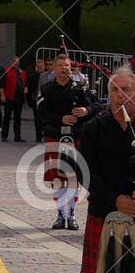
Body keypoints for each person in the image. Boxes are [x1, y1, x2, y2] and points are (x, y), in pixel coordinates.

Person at [78, 71, 135, 273]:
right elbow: (86, 173)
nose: (120, 95)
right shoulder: (94, 129)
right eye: (115, 90)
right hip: (107, 213)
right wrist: (116, 200)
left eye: (126, 90)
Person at [37, 52, 97, 231]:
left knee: (72, 177)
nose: (65, 69)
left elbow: (98, 106)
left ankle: (70, 215)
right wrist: (60, 118)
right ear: (53, 68)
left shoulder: (80, 87)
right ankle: (60, 214)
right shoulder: (46, 89)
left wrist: (86, 110)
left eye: (68, 66)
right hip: (54, 136)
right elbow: (41, 112)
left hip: (76, 137)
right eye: (61, 66)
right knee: (57, 177)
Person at [0, 57, 26, 143]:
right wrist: (2, 95)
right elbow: (1, 85)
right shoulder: (6, 71)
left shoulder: (22, 73)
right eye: (14, 61)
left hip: (19, 99)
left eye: (17, 62)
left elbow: (25, 83)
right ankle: (4, 136)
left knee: (18, 119)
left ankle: (17, 137)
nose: (16, 63)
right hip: (9, 98)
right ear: (11, 62)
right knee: (7, 118)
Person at [26, 57, 45, 142]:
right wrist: (30, 101)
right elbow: (28, 90)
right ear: (36, 67)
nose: (40, 68)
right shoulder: (32, 76)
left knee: (45, 119)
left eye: (41, 66)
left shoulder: (46, 76)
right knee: (37, 119)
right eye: (38, 66)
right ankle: (38, 136)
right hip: (35, 100)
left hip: (45, 100)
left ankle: (44, 135)